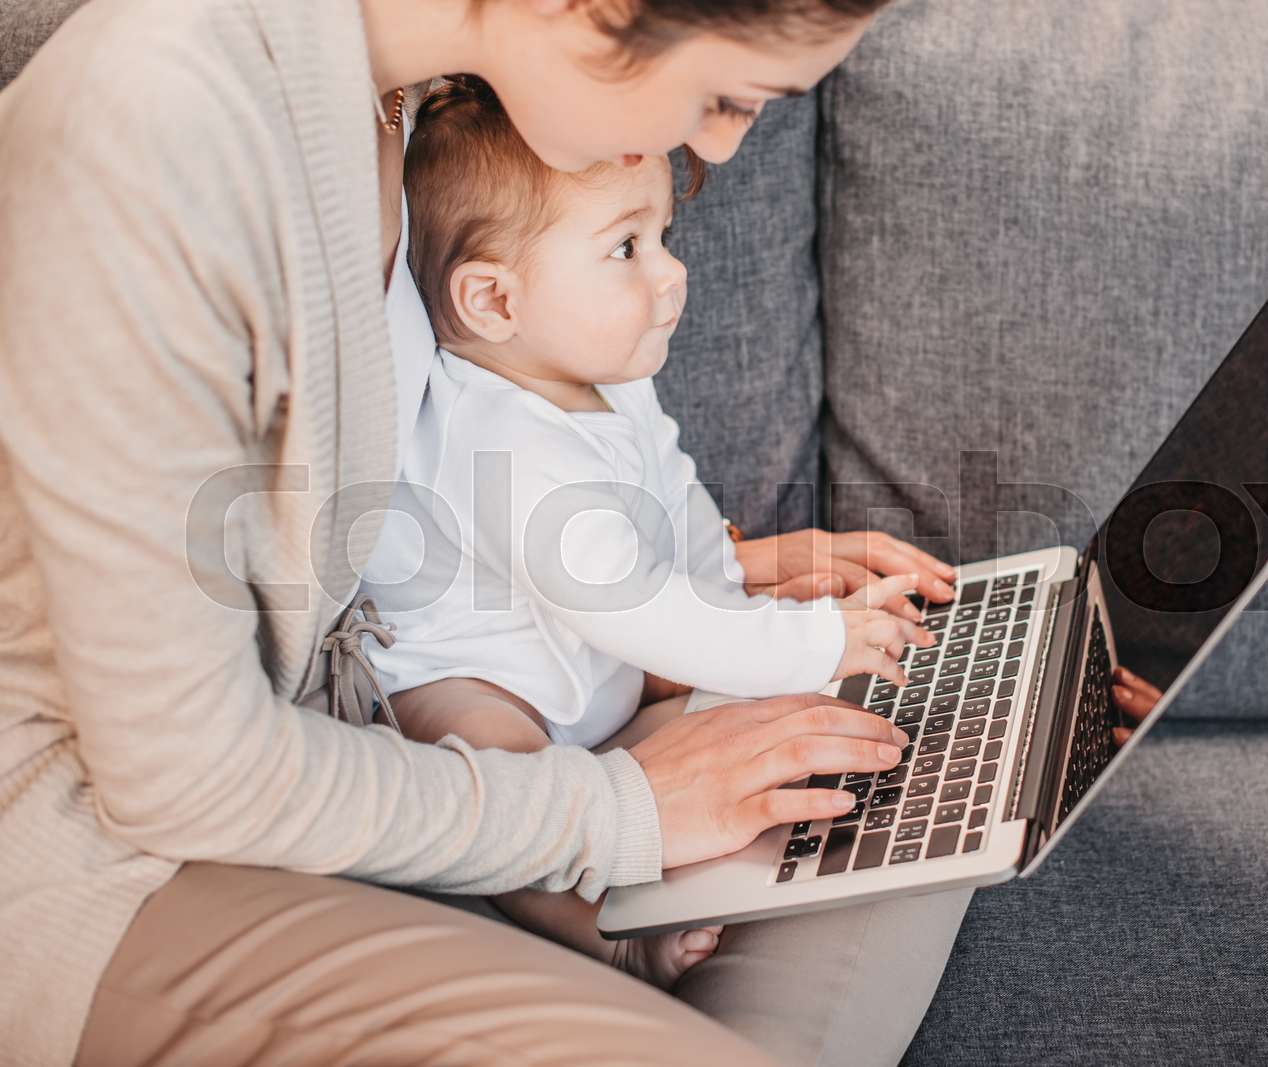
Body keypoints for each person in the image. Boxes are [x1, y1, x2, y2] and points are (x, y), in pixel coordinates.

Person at [0, 0, 1001, 1063]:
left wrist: (714, 579)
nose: (714, 146)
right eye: (722, 97)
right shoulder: (152, 130)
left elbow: (411, 507)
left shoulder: (415, 105)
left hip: (358, 775)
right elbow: (186, 777)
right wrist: (618, 807)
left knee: (927, 770)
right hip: (110, 858)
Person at [360, 75, 940, 987]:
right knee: (478, 739)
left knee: (727, 698)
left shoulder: (611, 376)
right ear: (493, 302)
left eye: (662, 237)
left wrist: (735, 599)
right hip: (473, 678)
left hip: (587, 665)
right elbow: (633, 605)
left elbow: (678, 506)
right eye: (625, 248)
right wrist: (809, 639)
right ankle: (603, 929)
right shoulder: (504, 441)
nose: (670, 274)